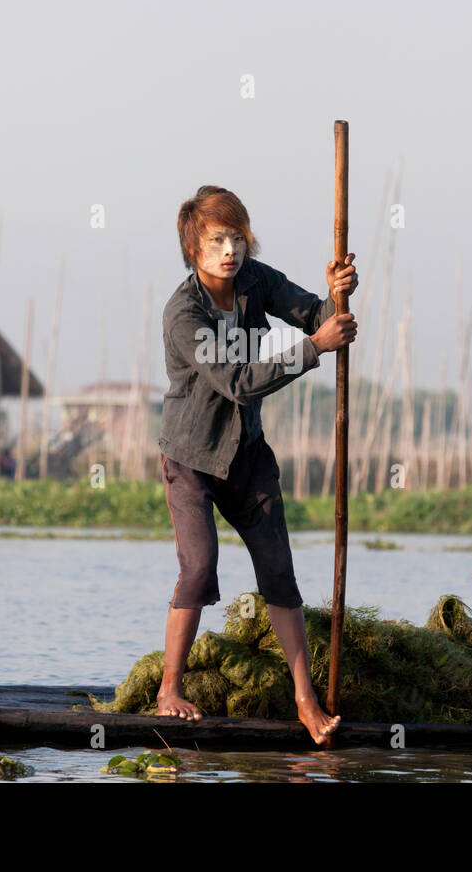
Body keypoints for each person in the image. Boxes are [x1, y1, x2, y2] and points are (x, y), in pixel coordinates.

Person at [156, 184, 357, 744]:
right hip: (192, 459)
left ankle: (305, 698)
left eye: (236, 237)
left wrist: (338, 291)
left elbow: (316, 314)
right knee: (199, 568)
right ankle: (169, 688)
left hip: (247, 455)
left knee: (279, 570)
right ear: (194, 249)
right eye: (217, 239)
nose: (230, 249)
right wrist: (316, 348)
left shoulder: (255, 281)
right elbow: (238, 383)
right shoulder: (183, 312)